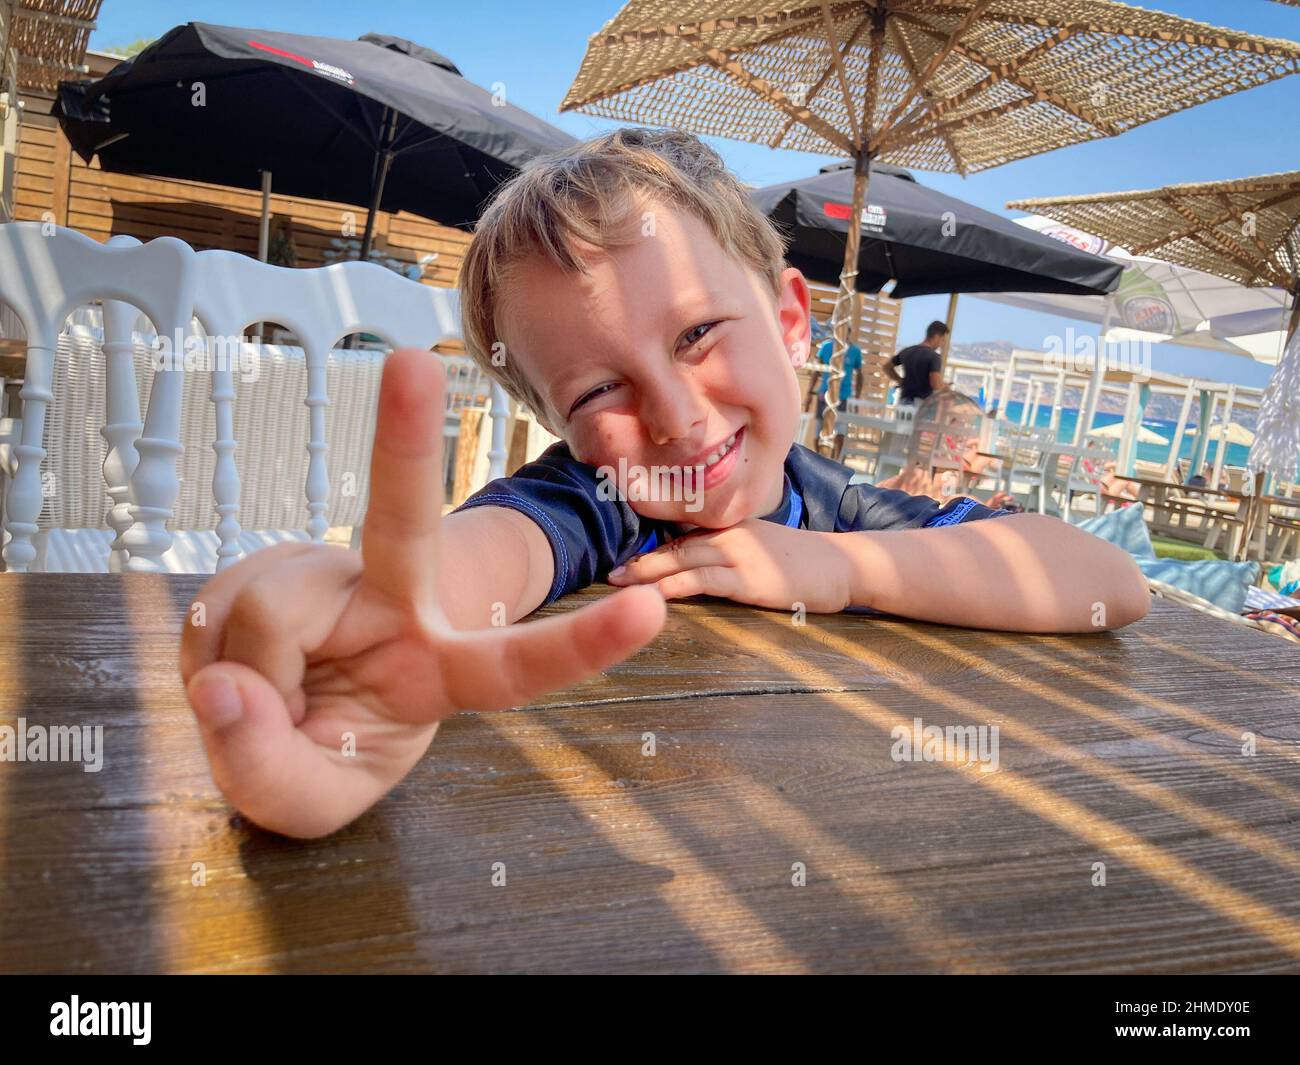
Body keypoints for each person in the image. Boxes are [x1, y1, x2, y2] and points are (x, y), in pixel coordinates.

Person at [181, 128, 1149, 838]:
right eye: (600, 387)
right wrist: (382, 617)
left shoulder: (833, 507)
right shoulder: (594, 506)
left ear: (788, 321)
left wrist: (836, 568)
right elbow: (497, 551)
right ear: (556, 424)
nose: (677, 415)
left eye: (696, 335)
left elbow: (1105, 579)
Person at [888, 321, 948, 404]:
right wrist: (944, 387)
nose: (942, 344)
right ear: (937, 336)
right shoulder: (934, 357)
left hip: (903, 402)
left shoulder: (907, 351)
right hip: (921, 405)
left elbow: (887, 367)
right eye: (943, 340)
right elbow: (935, 385)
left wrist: (900, 380)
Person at [813, 336, 861, 421]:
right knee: (821, 427)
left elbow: (860, 375)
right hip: (825, 394)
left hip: (843, 397)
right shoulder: (826, 346)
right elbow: (816, 371)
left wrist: (857, 399)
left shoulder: (855, 351)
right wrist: (810, 392)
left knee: (840, 430)